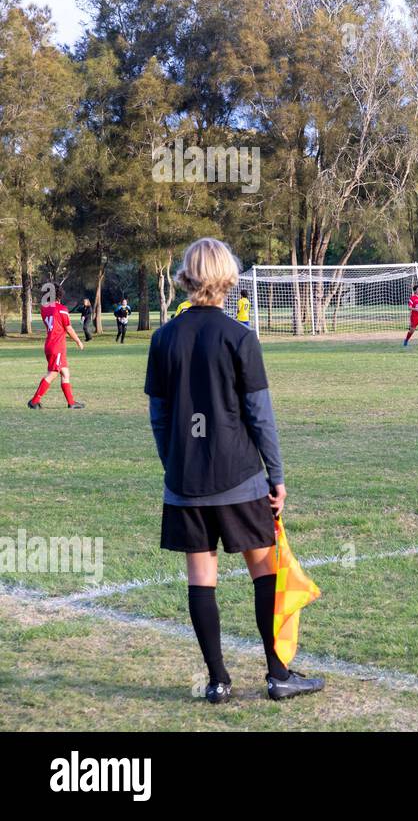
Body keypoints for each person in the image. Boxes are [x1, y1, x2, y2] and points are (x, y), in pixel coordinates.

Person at [146, 237, 323, 704]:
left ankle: (218, 681)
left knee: (200, 578)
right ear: (227, 277)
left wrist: (176, 465)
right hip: (241, 478)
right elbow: (260, 415)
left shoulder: (163, 338)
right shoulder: (241, 337)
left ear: (187, 277)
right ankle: (278, 675)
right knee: (265, 571)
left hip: (185, 483)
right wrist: (276, 476)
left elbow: (159, 418)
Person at [28, 287, 85, 409]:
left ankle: (71, 402)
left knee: (65, 373)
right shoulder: (62, 309)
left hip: (50, 344)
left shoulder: (44, 309)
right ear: (59, 295)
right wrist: (78, 341)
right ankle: (34, 401)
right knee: (53, 373)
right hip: (57, 346)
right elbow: (68, 328)